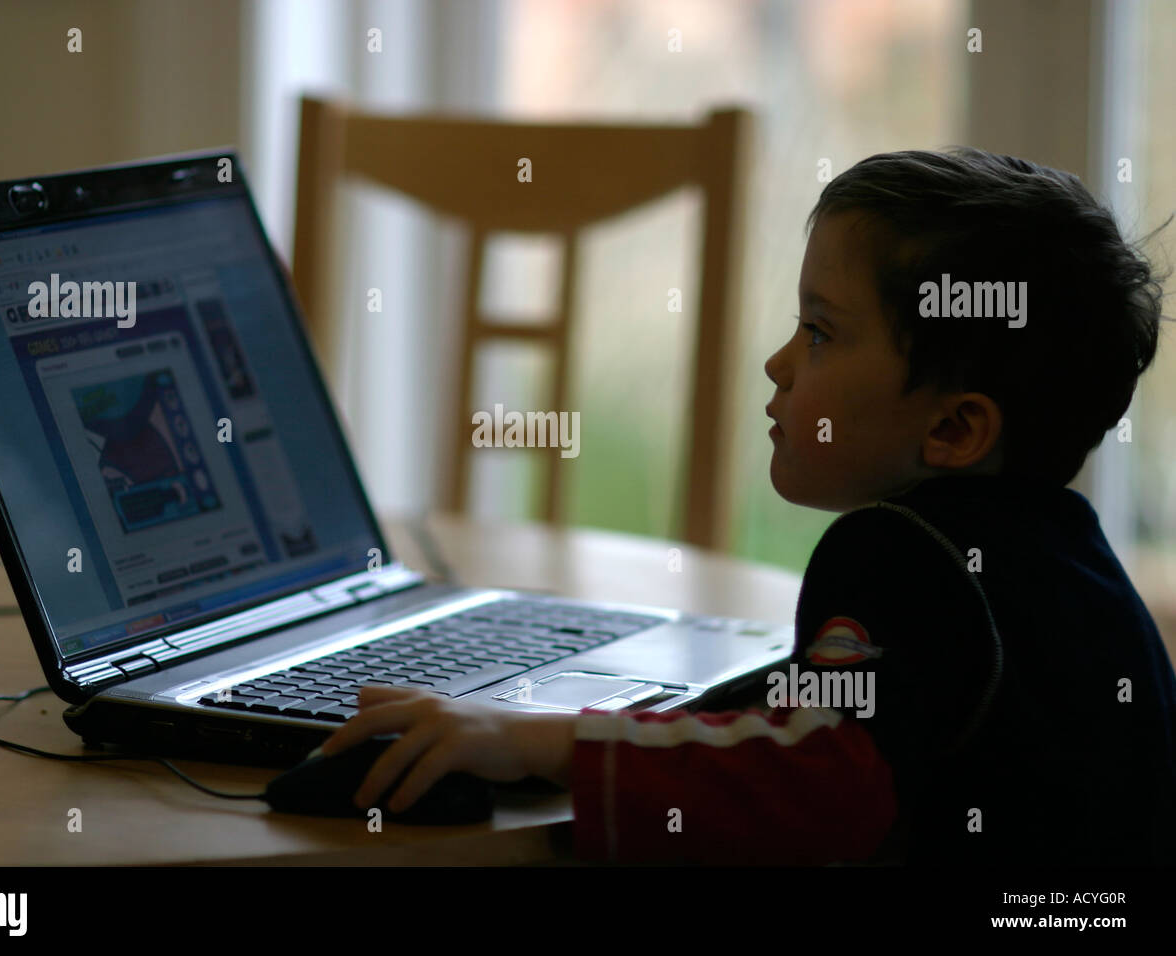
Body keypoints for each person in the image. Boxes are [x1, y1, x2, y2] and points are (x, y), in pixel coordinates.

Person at [319, 147, 1176, 865]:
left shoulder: (895, 556)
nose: (779, 364)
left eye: (820, 333)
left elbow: (815, 776)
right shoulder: (1073, 565)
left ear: (954, 427)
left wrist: (534, 743)